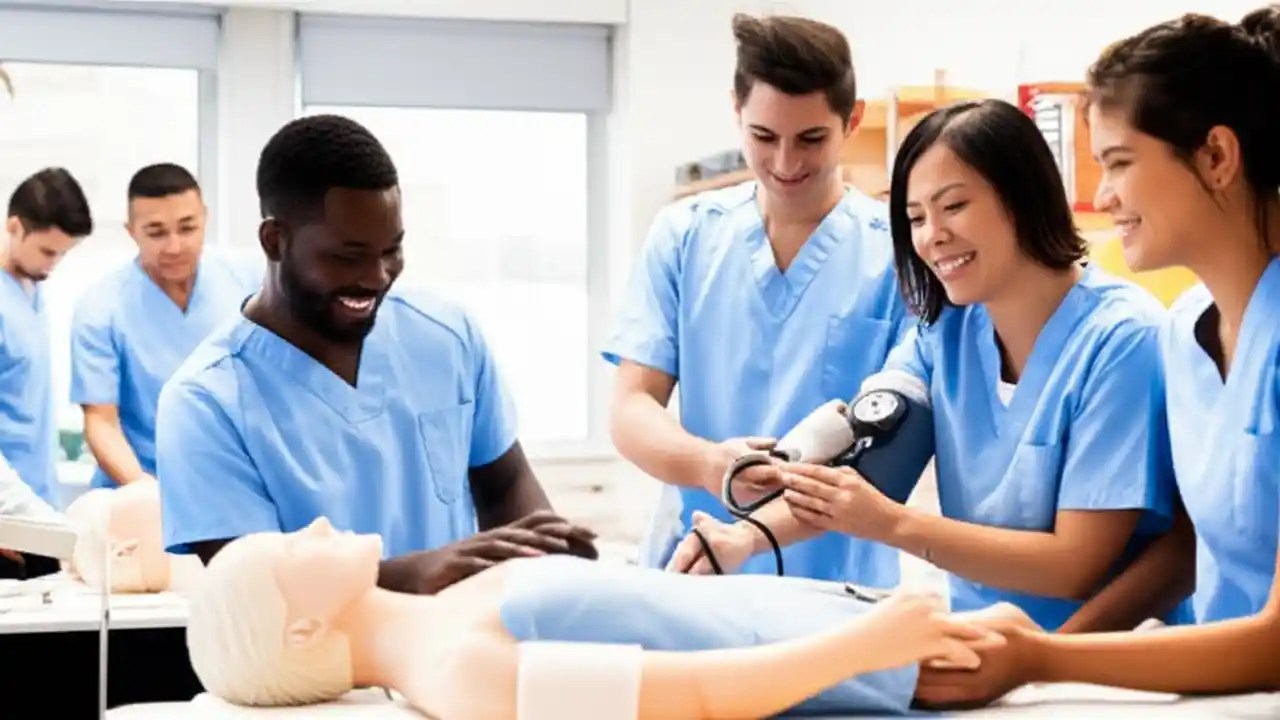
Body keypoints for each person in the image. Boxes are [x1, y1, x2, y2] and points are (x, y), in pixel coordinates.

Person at [670, 98, 1187, 635]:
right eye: (915, 218)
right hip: (980, 644)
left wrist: (894, 525)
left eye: (954, 206)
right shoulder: (944, 332)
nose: (931, 236)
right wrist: (746, 538)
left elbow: (1075, 565)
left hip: (1107, 661)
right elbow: (867, 471)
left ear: (1022, 197)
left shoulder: (1121, 339)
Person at [914, 7, 1280, 707]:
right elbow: (1180, 547)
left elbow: (1275, 638)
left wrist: (1042, 657)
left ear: (1216, 157)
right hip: (1215, 692)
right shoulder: (1186, 330)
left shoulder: (1143, 334)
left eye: (1118, 163)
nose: (1103, 195)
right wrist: (1044, 663)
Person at [155, 114, 595, 596]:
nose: (378, 275)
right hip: (307, 671)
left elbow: (505, 482)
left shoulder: (447, 337)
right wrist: (414, 576)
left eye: (392, 249)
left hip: (455, 656)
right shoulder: (204, 403)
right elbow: (254, 591)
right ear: (275, 241)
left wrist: (543, 557)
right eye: (348, 256)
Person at [604, 13, 911, 586]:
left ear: (853, 120)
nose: (786, 163)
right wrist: (710, 464)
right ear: (736, 112)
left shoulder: (898, 256)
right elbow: (630, 409)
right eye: (764, 137)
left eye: (811, 139)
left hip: (836, 583)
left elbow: (890, 451)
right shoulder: (685, 235)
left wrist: (754, 531)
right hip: (692, 571)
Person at [185, 517, 1011, 719]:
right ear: (302, 634)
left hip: (848, 623)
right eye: (294, 548)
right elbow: (691, 698)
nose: (317, 526)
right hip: (879, 663)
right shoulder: (461, 675)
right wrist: (873, 642)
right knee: (1051, 659)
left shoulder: (446, 616)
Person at [71, 163, 259, 490]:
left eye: (187, 228)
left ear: (205, 219)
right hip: (136, 487)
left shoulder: (248, 284)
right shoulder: (101, 307)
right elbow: (101, 421)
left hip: (230, 485)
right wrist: (146, 494)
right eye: (156, 232)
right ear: (131, 231)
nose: (174, 246)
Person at [0, 167, 93, 505]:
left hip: (37, 498)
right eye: (47, 252)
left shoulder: (31, 289)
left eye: (63, 253)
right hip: (6, 514)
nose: (54, 264)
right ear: (14, 227)